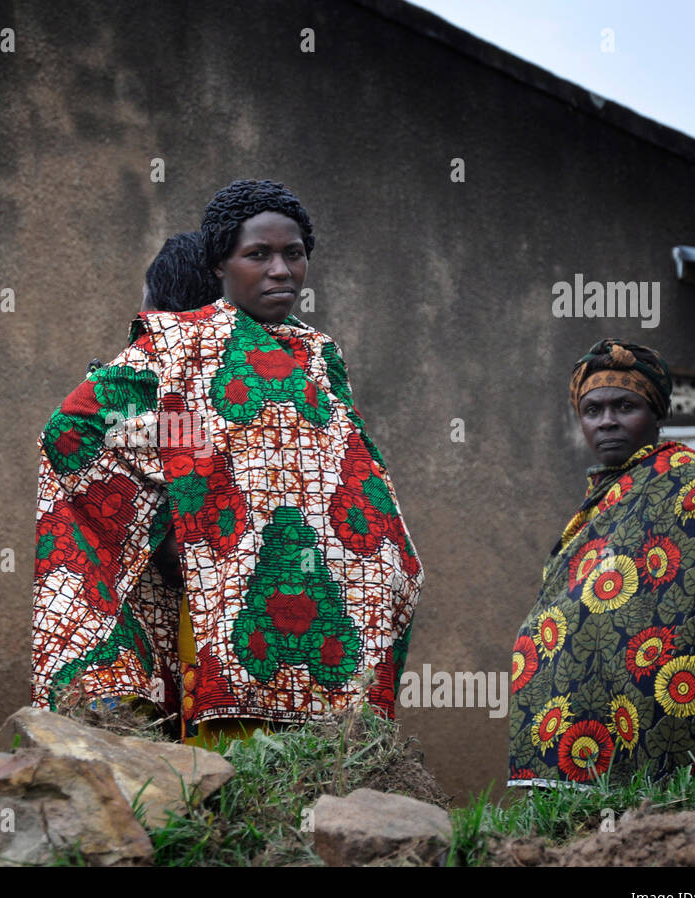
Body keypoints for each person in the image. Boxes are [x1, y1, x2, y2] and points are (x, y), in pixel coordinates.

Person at [31, 179, 423, 746]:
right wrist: (177, 514)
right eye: (257, 255)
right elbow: (73, 429)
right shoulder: (175, 343)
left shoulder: (321, 356)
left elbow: (355, 470)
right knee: (233, 781)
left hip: (333, 615)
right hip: (230, 619)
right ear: (220, 264)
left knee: (317, 782)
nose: (281, 270)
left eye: (294, 254)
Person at [509, 339, 695, 787]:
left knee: (693, 805)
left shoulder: (690, 479)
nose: (607, 421)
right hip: (607, 707)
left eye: (625, 406)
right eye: (593, 411)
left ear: (656, 414)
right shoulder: (601, 501)